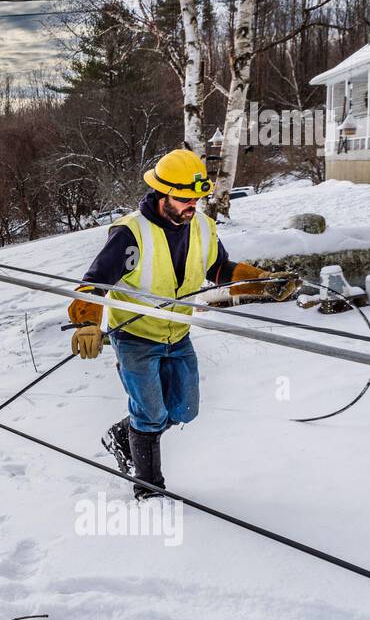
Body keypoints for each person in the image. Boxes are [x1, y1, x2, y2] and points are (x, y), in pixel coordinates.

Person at [67, 149, 298, 500]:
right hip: (135, 338)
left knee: (184, 410)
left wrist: (263, 281)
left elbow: (219, 269)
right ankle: (149, 489)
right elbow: (94, 283)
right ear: (162, 195)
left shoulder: (202, 227)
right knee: (150, 414)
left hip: (178, 334)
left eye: (197, 198)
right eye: (184, 199)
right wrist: (86, 322)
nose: (192, 205)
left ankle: (120, 435)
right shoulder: (131, 233)